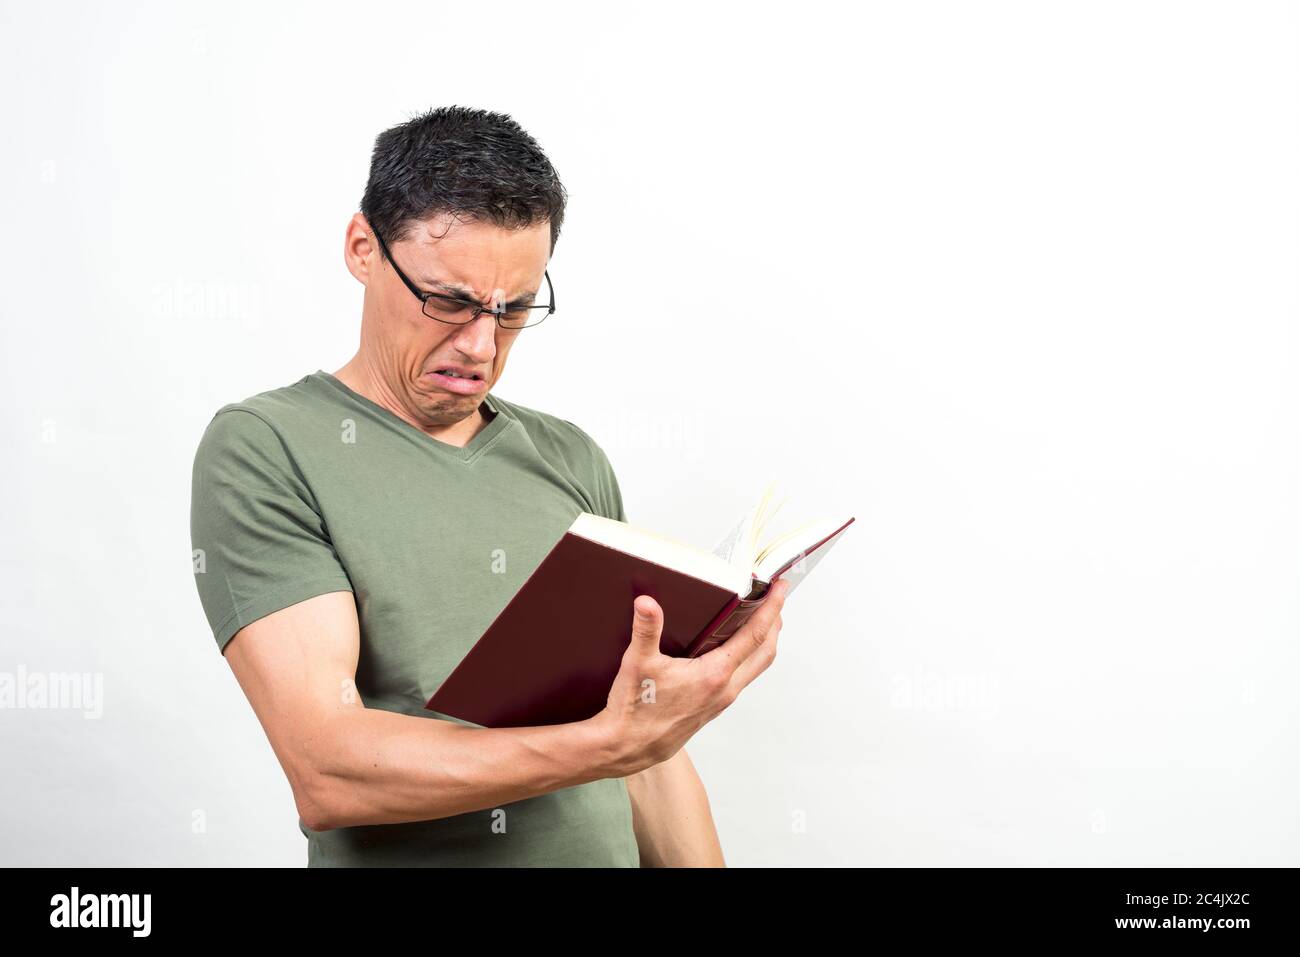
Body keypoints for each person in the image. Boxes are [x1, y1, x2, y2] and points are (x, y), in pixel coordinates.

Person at [189, 105, 788, 867]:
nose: (481, 344)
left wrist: (638, 733)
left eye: (513, 309)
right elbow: (327, 766)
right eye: (449, 300)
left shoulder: (571, 457)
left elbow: (652, 762)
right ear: (362, 248)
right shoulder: (267, 448)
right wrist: (603, 744)